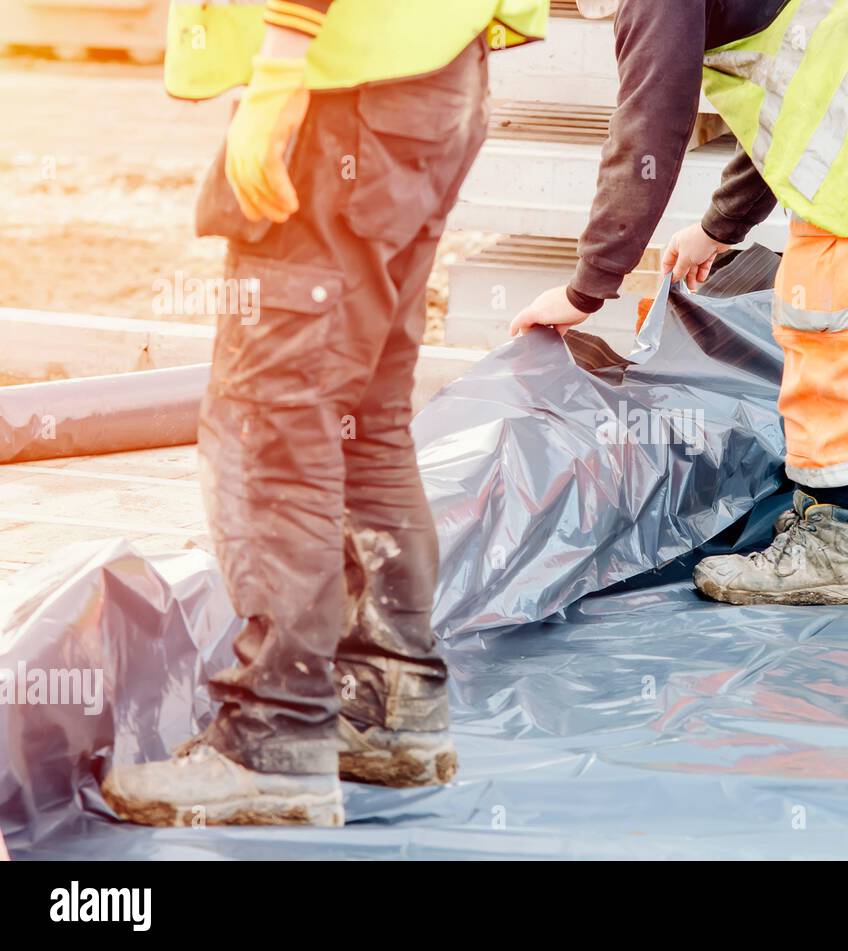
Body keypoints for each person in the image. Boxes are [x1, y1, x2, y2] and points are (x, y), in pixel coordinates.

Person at [102, 0, 548, 827]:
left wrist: (280, 61)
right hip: (429, 76)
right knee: (365, 415)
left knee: (272, 417)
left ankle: (273, 739)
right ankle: (386, 706)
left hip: (345, 86)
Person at [512, 0, 848, 606]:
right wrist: (719, 229)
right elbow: (809, 114)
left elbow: (650, 124)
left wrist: (587, 289)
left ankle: (834, 546)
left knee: (829, 306)